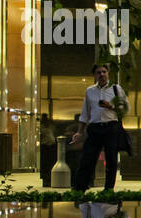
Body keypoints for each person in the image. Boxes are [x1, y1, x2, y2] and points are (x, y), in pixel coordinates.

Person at [70, 63, 127, 191]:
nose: (101, 74)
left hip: (111, 127)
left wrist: (109, 106)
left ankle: (108, 189)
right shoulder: (90, 91)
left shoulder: (116, 89)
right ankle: (80, 188)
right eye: (98, 72)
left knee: (111, 160)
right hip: (95, 127)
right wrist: (79, 132)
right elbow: (85, 113)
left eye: (104, 72)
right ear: (95, 76)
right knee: (88, 158)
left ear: (108, 74)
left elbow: (124, 109)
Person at [39, 113, 56, 187]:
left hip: (52, 146)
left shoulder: (51, 127)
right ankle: (46, 178)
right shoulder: (41, 128)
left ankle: (50, 177)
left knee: (51, 161)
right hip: (45, 146)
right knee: (45, 163)